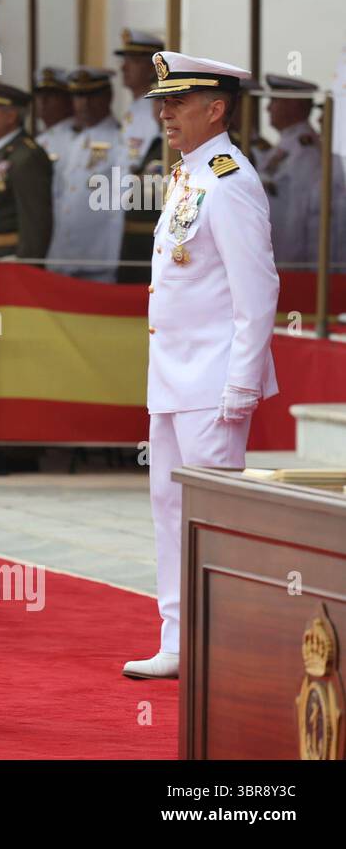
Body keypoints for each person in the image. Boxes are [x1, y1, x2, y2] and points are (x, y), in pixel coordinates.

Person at [123, 52, 278, 680]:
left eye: (178, 102)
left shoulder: (230, 180)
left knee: (211, 517)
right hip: (174, 377)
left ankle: (218, 639)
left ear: (215, 109)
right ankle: (178, 636)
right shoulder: (192, 174)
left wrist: (242, 381)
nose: (165, 112)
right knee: (168, 505)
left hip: (213, 381)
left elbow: (257, 291)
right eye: (162, 102)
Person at [47, 66, 122, 282]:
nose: (84, 104)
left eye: (92, 96)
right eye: (79, 96)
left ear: (108, 96)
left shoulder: (120, 141)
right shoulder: (74, 142)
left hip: (97, 258)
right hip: (64, 257)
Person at [114, 29, 166, 283]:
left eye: (133, 61)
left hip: (146, 215)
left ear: (151, 68)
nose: (124, 67)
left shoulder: (154, 111)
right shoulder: (133, 110)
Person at [258, 74, 321, 268]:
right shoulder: (288, 144)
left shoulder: (305, 149)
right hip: (275, 256)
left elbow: (299, 210)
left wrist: (289, 264)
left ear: (294, 104)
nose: (267, 108)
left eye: (274, 100)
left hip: (288, 260)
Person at [0, 83, 52, 260]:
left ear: (11, 116)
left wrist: (26, 263)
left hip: (9, 257)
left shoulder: (27, 156)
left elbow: (35, 221)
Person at [33, 66, 79, 166]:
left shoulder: (76, 138)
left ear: (68, 101)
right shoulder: (40, 138)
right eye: (40, 95)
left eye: (51, 95)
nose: (43, 101)